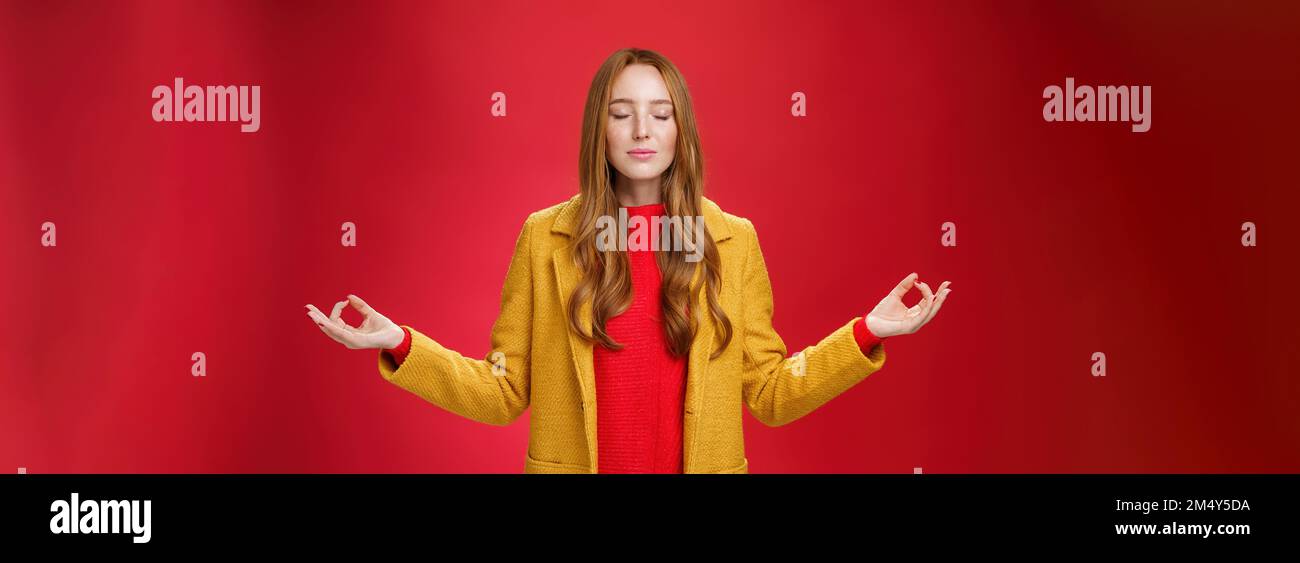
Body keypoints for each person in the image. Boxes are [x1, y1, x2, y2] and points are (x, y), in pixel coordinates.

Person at [306, 47, 951, 474]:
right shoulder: (544, 238)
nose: (642, 130)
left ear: (680, 130)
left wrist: (868, 331)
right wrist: (401, 345)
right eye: (622, 113)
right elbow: (504, 391)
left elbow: (771, 393)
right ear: (600, 130)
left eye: (659, 113)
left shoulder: (732, 240)